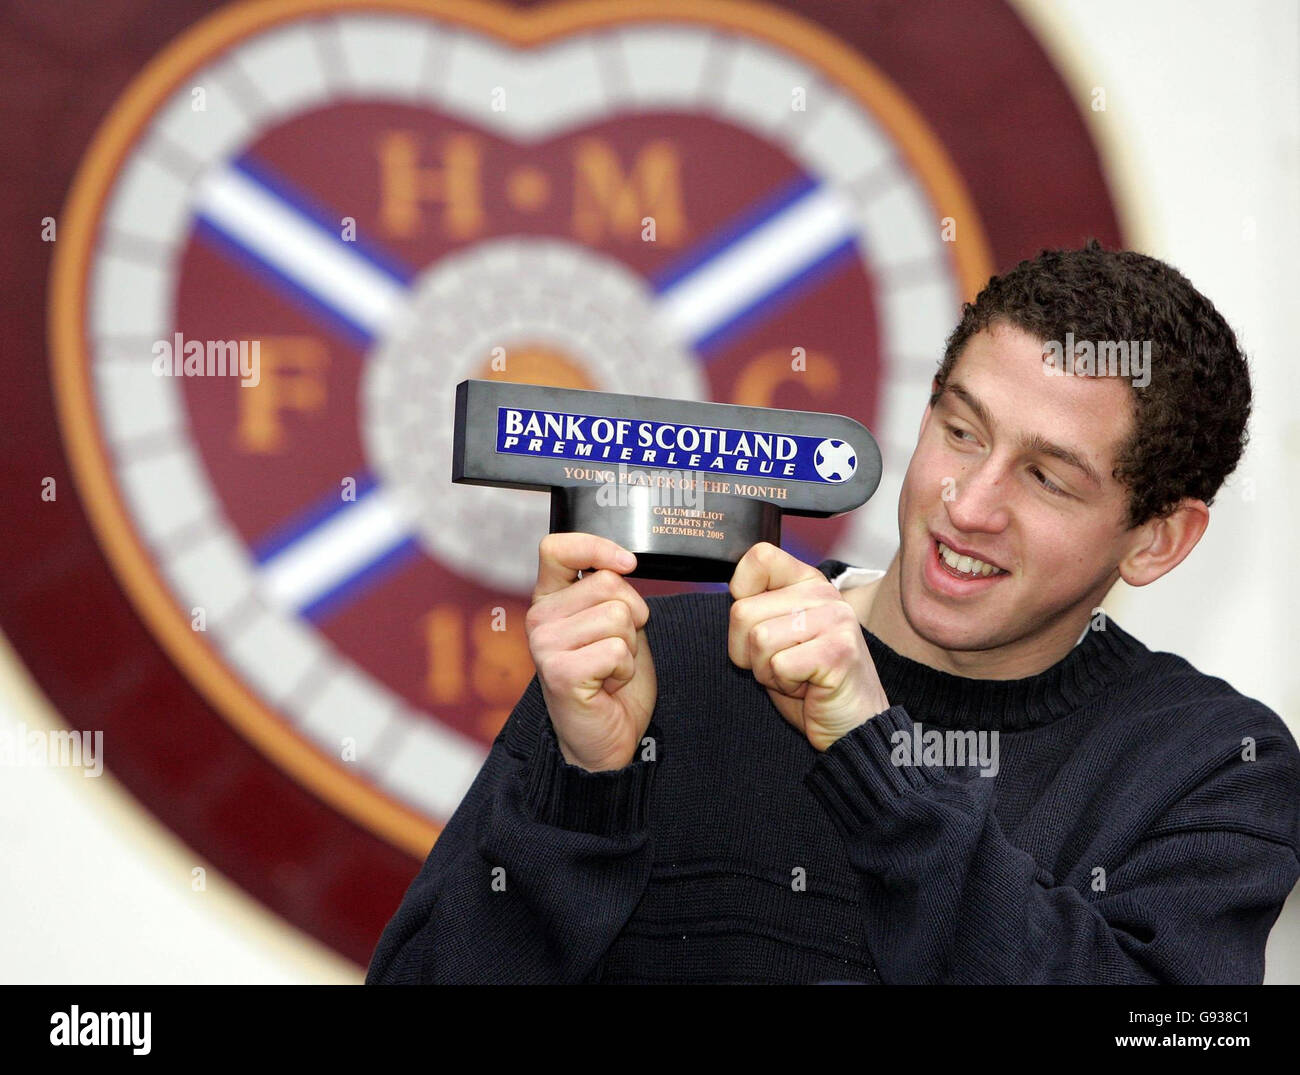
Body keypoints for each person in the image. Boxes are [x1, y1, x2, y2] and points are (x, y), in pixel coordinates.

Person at [366, 242, 1300, 984]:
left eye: (1048, 478)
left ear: (1158, 541)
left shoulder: (1213, 767)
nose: (967, 503)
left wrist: (877, 764)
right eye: (960, 430)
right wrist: (581, 792)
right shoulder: (662, 671)